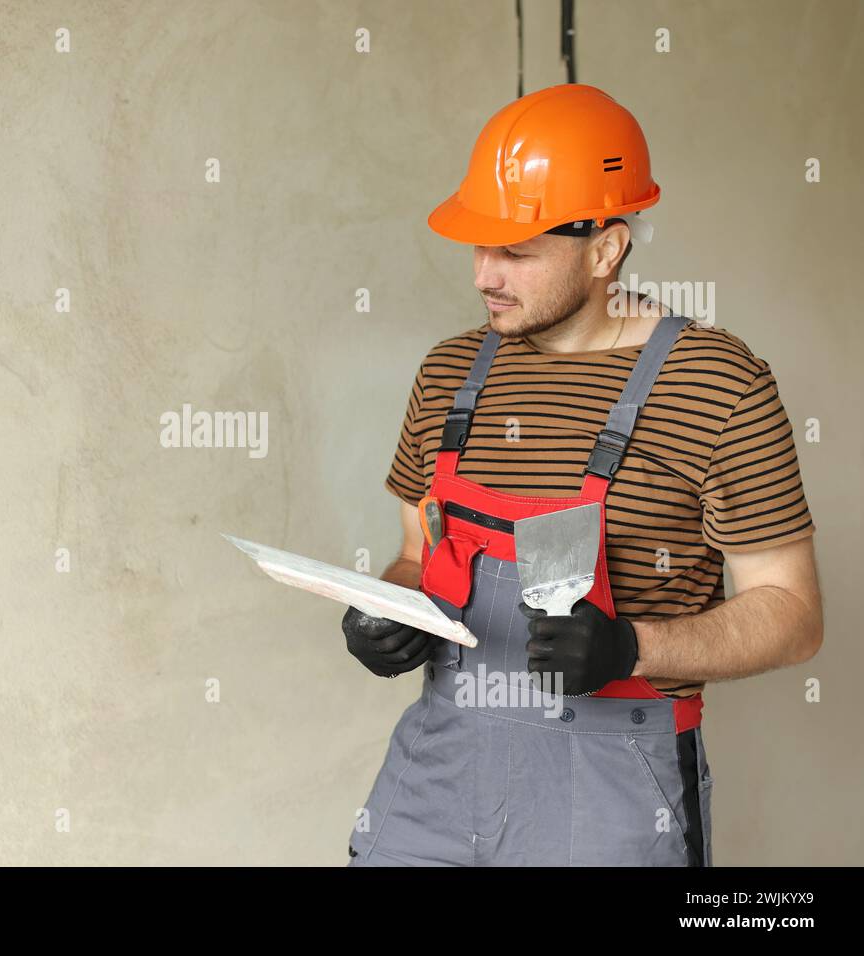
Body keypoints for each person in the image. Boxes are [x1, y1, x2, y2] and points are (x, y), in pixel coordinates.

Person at [345, 84, 822, 866]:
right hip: (438, 770)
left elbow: (794, 615)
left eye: (517, 252)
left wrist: (631, 648)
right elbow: (412, 549)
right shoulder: (449, 373)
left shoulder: (717, 383)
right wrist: (388, 611)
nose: (484, 277)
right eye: (478, 247)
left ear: (606, 249)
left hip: (610, 790)